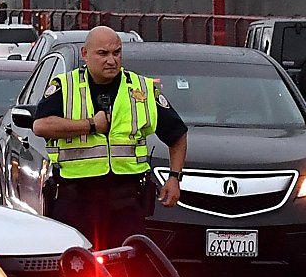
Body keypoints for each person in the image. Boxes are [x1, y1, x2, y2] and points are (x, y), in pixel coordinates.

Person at [30, 26, 188, 249]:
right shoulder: (65, 86)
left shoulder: (141, 89)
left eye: (117, 53)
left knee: (129, 269)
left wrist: (174, 177)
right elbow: (41, 125)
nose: (111, 60)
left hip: (126, 202)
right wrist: (91, 125)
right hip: (77, 200)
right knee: (77, 268)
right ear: (85, 54)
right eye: (103, 54)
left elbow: (178, 135)